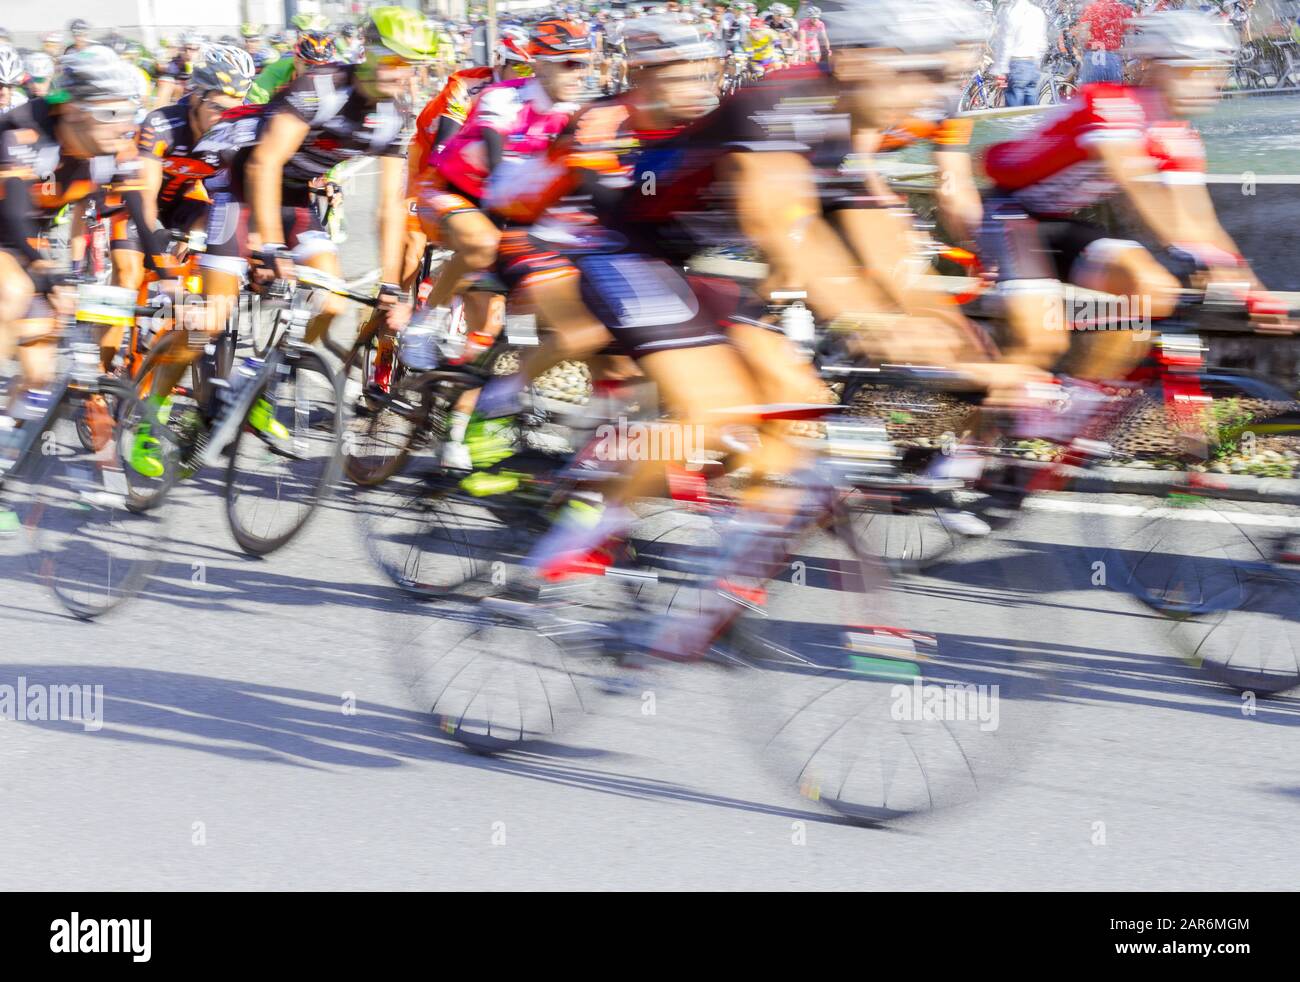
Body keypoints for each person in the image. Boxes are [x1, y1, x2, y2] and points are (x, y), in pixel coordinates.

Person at [979, 9, 1282, 387]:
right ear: (1154, 67)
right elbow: (1140, 192)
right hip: (1008, 212)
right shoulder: (1110, 107)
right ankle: (971, 445)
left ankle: (1080, 403)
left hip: (1056, 223)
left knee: (1154, 291)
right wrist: (1209, 261)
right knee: (1039, 343)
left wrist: (1252, 288)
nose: (1213, 85)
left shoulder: (1177, 135)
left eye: (1217, 72)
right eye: (1197, 71)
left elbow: (1200, 221)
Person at [991, 0, 1049, 105]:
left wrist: (1001, 69)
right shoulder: (1037, 12)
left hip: (1016, 62)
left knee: (1015, 112)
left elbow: (1006, 42)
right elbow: (1043, 43)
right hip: (1032, 63)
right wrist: (1037, 62)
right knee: (1031, 110)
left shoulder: (1010, 11)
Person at [1076, 0, 1133, 82]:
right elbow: (1130, 35)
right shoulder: (1122, 9)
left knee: (1089, 92)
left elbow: (1083, 35)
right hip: (1113, 59)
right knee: (1114, 92)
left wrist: (1081, 50)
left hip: (1093, 57)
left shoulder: (1092, 8)